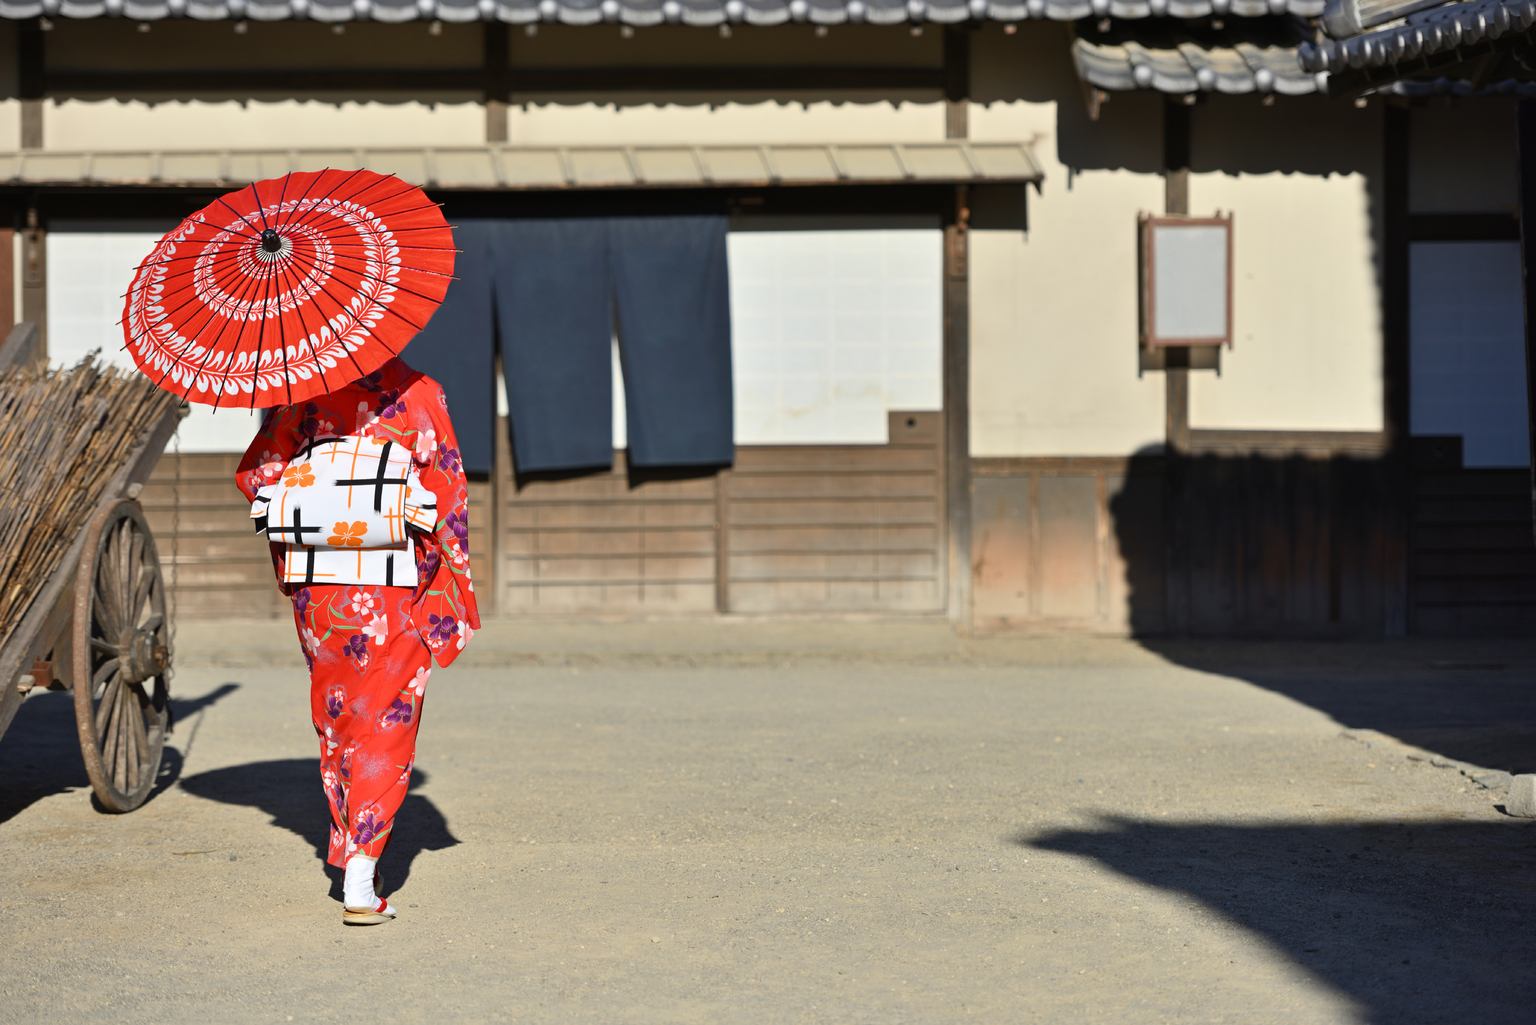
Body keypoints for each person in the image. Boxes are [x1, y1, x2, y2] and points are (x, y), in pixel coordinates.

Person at [236, 356, 480, 925]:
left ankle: (352, 852)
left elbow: (258, 477)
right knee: (386, 723)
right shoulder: (421, 392)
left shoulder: (299, 396)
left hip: (323, 589)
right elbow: (448, 489)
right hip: (391, 584)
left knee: (340, 717)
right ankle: (361, 879)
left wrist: (317, 488)